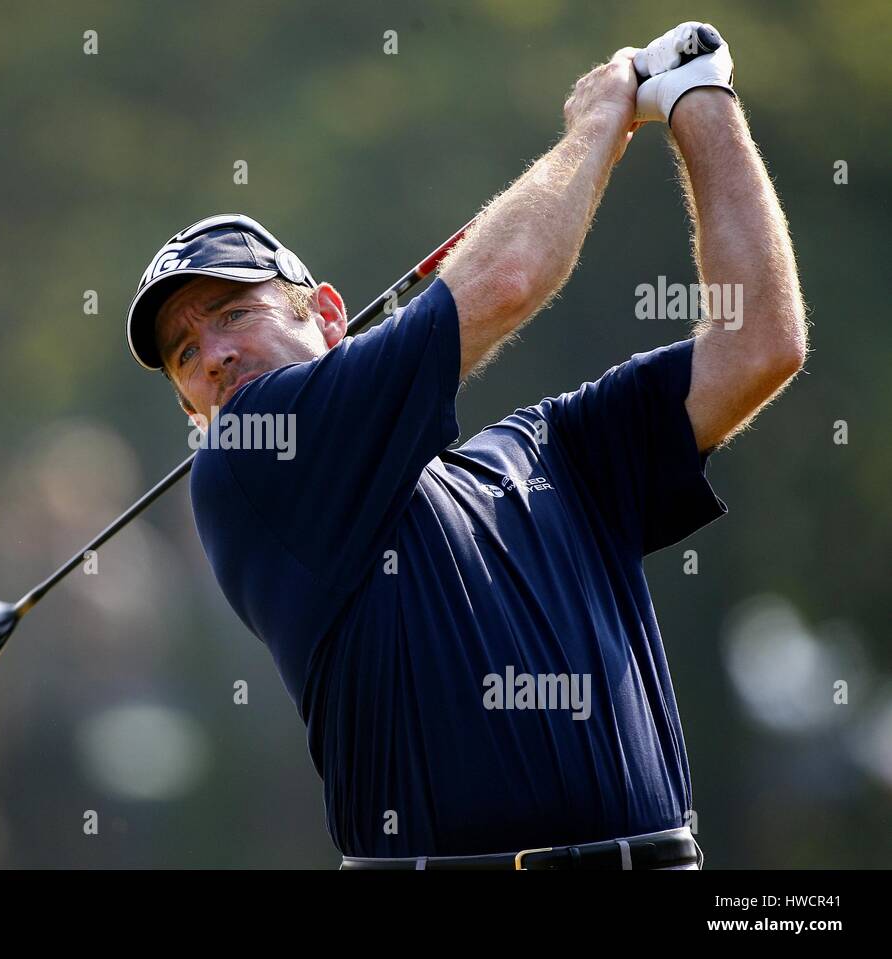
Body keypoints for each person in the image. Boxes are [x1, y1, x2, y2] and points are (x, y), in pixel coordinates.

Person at [122, 22, 805, 869]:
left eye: (233, 312)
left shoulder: (549, 451)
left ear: (329, 314)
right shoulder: (249, 466)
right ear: (193, 410)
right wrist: (601, 117)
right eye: (185, 353)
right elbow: (510, 277)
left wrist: (700, 96)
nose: (214, 353)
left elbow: (761, 342)